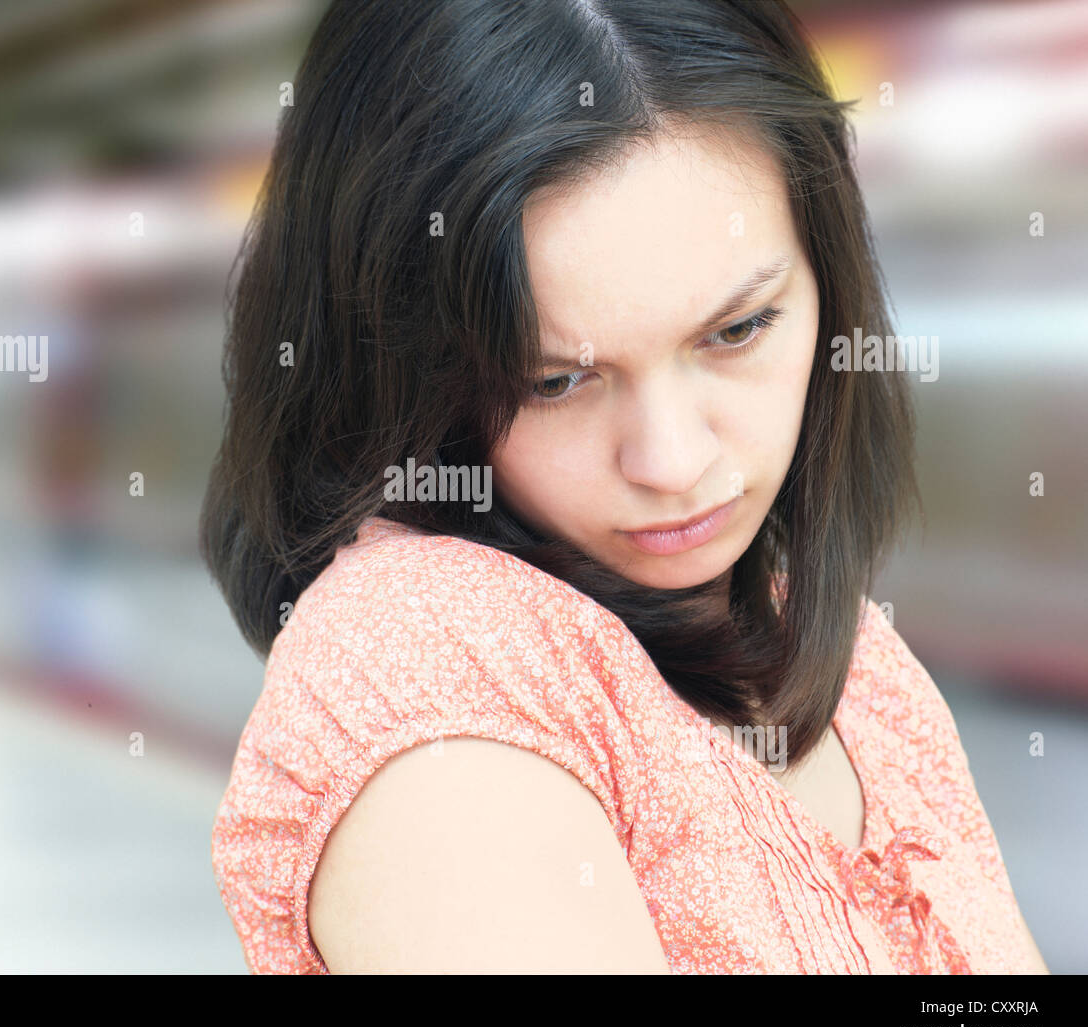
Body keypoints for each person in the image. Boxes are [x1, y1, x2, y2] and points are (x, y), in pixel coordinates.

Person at [198, 0, 1049, 974]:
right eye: (554, 381)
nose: (676, 462)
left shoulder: (840, 645)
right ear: (402, 370)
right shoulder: (426, 681)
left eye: (737, 331)